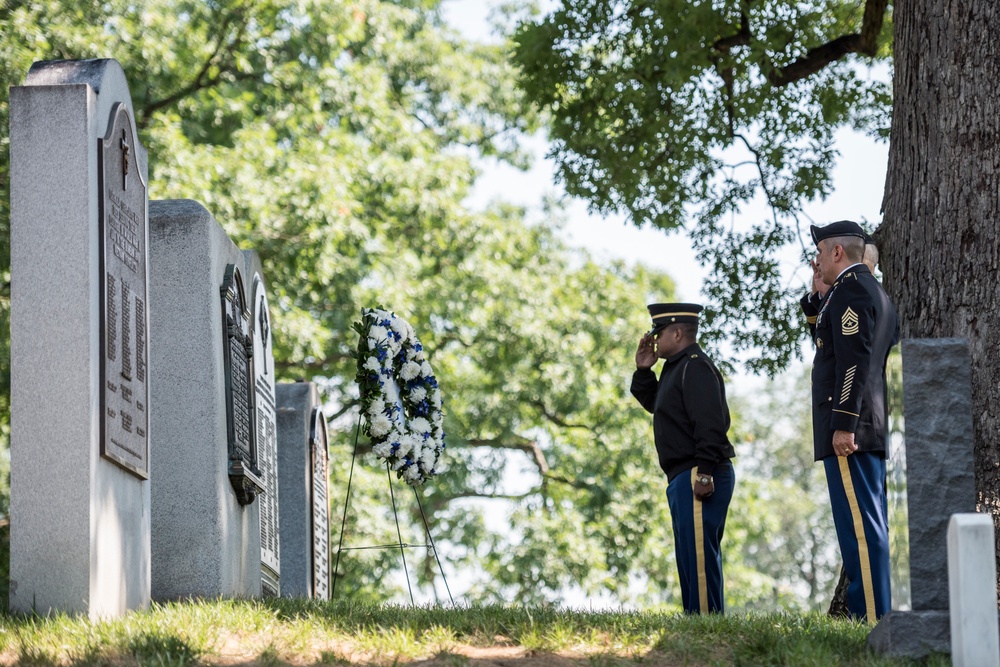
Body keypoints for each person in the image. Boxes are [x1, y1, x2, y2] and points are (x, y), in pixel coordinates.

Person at [808, 220, 900, 624]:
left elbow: (852, 362)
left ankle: (872, 620)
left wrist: (843, 423)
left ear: (837, 252)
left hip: (852, 430)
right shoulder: (869, 291)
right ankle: (874, 614)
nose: (817, 260)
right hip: (868, 427)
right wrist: (816, 300)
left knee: (861, 529)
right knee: (865, 523)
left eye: (821, 252)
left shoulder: (851, 291)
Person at [630, 303, 736, 614]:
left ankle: (707, 630)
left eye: (658, 333)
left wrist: (704, 473)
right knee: (690, 558)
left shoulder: (695, 366)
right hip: (683, 474)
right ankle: (698, 626)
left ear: (678, 332)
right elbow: (659, 406)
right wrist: (643, 370)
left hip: (699, 471)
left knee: (700, 559)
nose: (653, 339)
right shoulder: (676, 367)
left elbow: (711, 424)